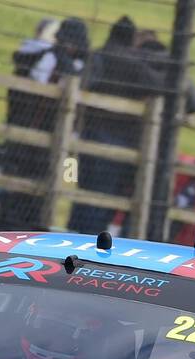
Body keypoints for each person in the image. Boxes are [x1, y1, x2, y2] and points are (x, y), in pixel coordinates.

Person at [67, 16, 166, 235]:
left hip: (91, 135)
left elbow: (82, 84)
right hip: (123, 142)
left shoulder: (97, 57)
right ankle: (94, 240)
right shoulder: (136, 65)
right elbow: (161, 87)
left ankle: (76, 235)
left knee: (86, 189)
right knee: (107, 196)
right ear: (131, 39)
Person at [0, 17, 89, 225]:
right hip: (34, 133)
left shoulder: (79, 65)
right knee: (20, 189)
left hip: (59, 138)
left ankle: (35, 227)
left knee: (53, 186)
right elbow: (37, 89)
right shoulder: (50, 59)